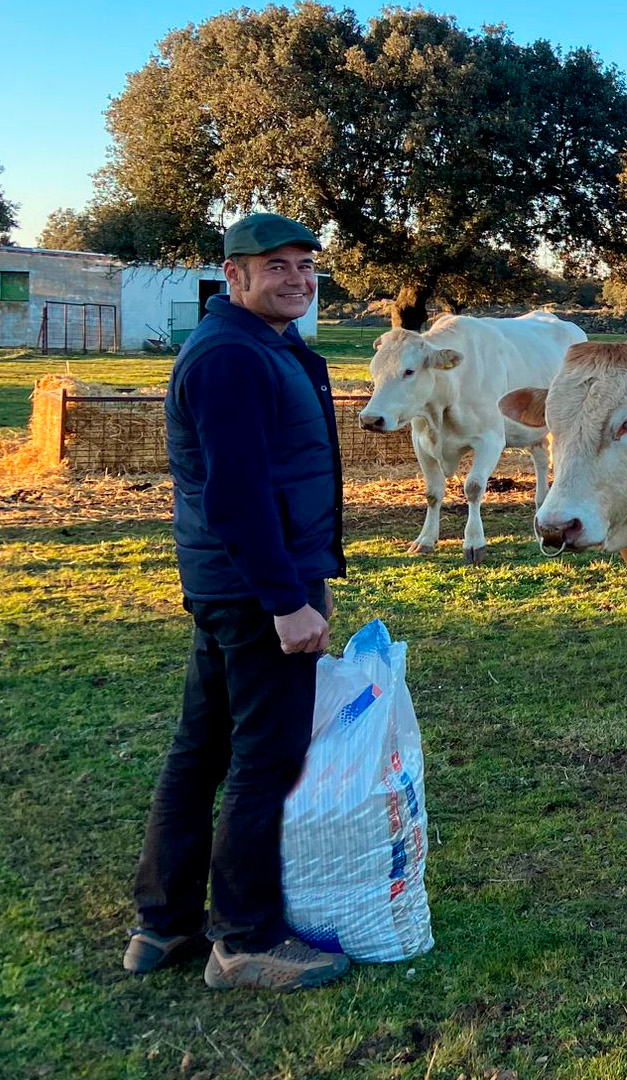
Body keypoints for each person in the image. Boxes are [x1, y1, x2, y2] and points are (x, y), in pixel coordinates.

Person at [124, 213, 350, 990]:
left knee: (202, 750)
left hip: (234, 582)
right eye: (275, 266)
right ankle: (245, 939)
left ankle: (164, 924)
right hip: (258, 586)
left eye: (304, 265)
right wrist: (288, 601)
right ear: (235, 277)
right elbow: (238, 494)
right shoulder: (229, 358)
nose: (296, 277)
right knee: (265, 758)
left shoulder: (262, 347)